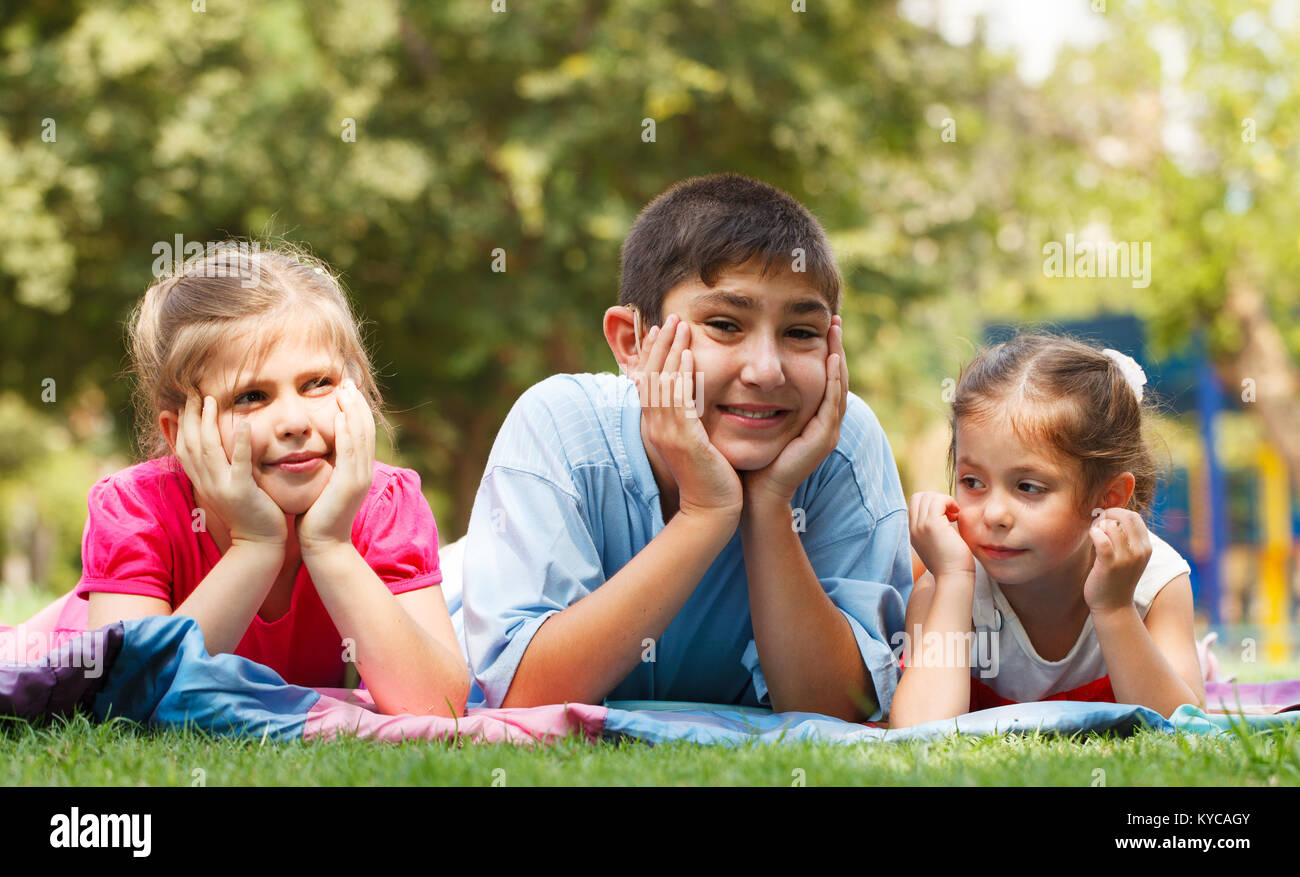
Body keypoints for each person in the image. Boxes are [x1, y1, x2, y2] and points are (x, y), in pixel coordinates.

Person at [458, 174, 913, 720]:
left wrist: (769, 506)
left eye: (801, 333)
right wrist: (706, 514)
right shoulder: (561, 424)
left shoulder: (840, 443)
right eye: (724, 325)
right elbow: (526, 699)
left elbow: (841, 709)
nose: (767, 371)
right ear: (632, 342)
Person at [69, 243, 468, 716]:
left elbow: (437, 705)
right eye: (252, 395)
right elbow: (126, 705)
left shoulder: (384, 505)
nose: (294, 422)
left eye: (316, 383)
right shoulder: (136, 510)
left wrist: (330, 546)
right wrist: (254, 545)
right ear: (181, 434)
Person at [891, 334, 1206, 727]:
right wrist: (953, 581)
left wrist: (1114, 608)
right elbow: (917, 731)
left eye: (1028, 487)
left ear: (1107, 499)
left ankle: (1201, 658)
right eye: (972, 482)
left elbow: (1182, 726)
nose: (995, 514)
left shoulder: (1154, 581)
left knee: (1189, 667)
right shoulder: (947, 577)